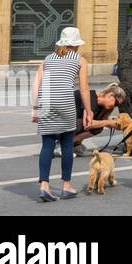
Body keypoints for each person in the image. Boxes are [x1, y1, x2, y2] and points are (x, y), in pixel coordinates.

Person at [32, 27, 92, 202]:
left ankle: (44, 185)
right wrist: (88, 111)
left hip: (47, 102)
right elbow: (84, 88)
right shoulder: (80, 60)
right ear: (77, 45)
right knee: (66, 145)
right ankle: (66, 186)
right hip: (65, 102)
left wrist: (35, 108)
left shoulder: (47, 59)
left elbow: (37, 83)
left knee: (47, 145)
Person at [72, 83, 127, 156]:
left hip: (67, 124)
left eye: (117, 105)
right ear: (110, 95)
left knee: (98, 127)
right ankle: (65, 144)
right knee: (95, 124)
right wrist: (109, 122)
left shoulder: (101, 108)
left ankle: (73, 144)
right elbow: (88, 124)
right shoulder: (91, 97)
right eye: (116, 103)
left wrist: (115, 125)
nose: (114, 106)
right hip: (58, 123)